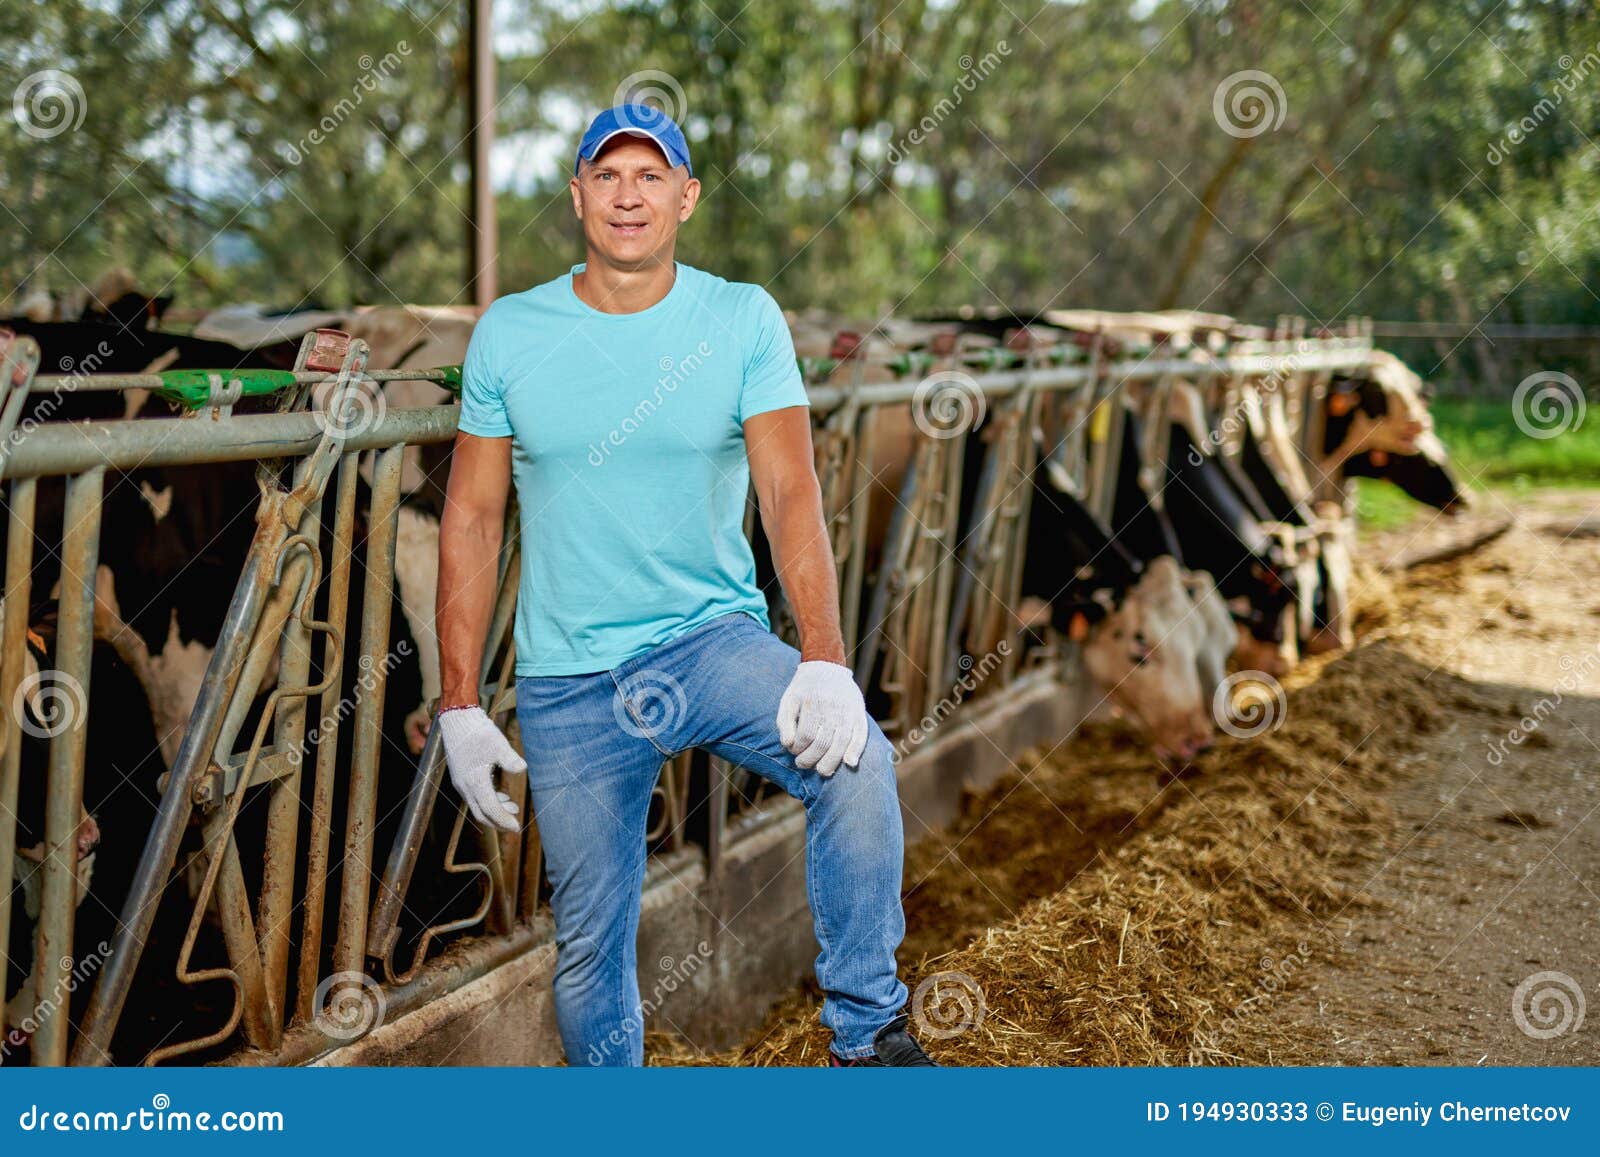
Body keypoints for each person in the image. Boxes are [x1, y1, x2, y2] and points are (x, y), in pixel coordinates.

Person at [432, 103, 935, 1067]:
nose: (629, 194)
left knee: (860, 762)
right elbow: (472, 517)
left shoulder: (741, 315)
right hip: (570, 678)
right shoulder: (511, 331)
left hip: (712, 643)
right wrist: (458, 702)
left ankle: (868, 1039)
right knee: (588, 948)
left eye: (651, 176)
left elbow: (791, 492)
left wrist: (824, 658)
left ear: (686, 196)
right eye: (608, 175)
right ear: (578, 193)